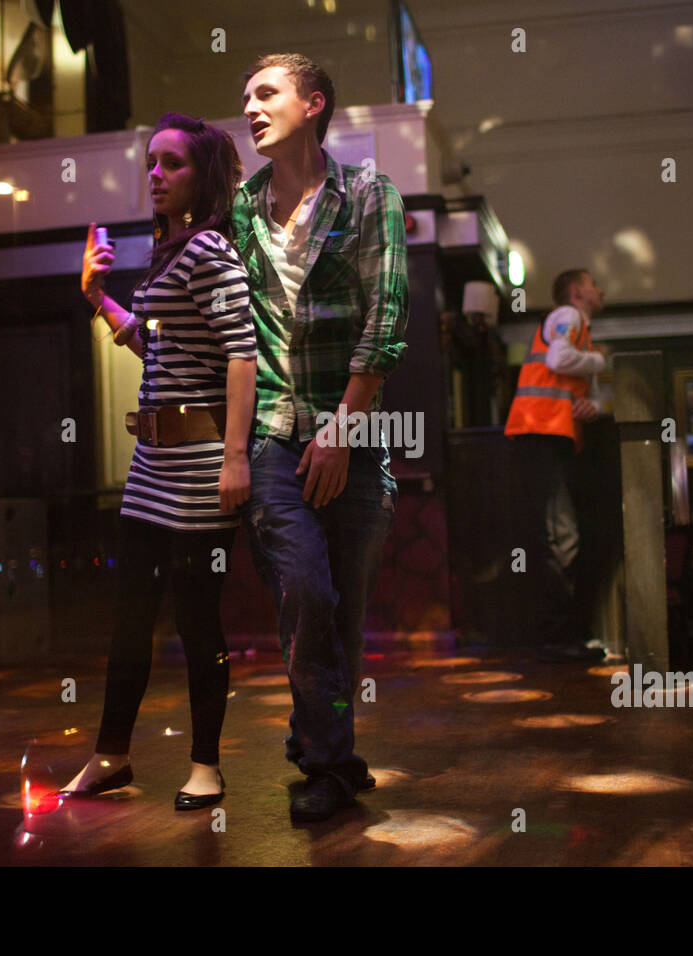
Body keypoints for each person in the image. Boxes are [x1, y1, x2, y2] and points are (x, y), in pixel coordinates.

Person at [58, 114, 258, 811]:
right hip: (152, 465)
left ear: (201, 175)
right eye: (151, 162)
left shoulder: (209, 251)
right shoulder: (168, 250)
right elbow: (162, 349)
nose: (155, 174)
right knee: (129, 617)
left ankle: (206, 765)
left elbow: (242, 353)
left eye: (171, 163)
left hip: (203, 463)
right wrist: (94, 297)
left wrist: (236, 457)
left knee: (197, 618)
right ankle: (111, 754)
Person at [235, 53, 409, 823]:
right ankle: (332, 766)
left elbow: (388, 317)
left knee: (340, 613)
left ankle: (319, 747)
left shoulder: (372, 195)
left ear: (313, 104)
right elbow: (221, 328)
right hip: (272, 433)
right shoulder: (239, 208)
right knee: (304, 591)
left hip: (354, 432)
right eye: (244, 96)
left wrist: (342, 429)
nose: (249, 106)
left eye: (265, 93)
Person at [503, 268, 610, 661]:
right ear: (578, 291)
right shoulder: (568, 316)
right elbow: (560, 358)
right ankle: (558, 641)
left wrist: (592, 406)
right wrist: (598, 360)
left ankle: (566, 637)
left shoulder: (580, 327)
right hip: (541, 436)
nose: (601, 290)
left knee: (563, 538)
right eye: (594, 284)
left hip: (555, 438)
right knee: (560, 538)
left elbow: (592, 394)